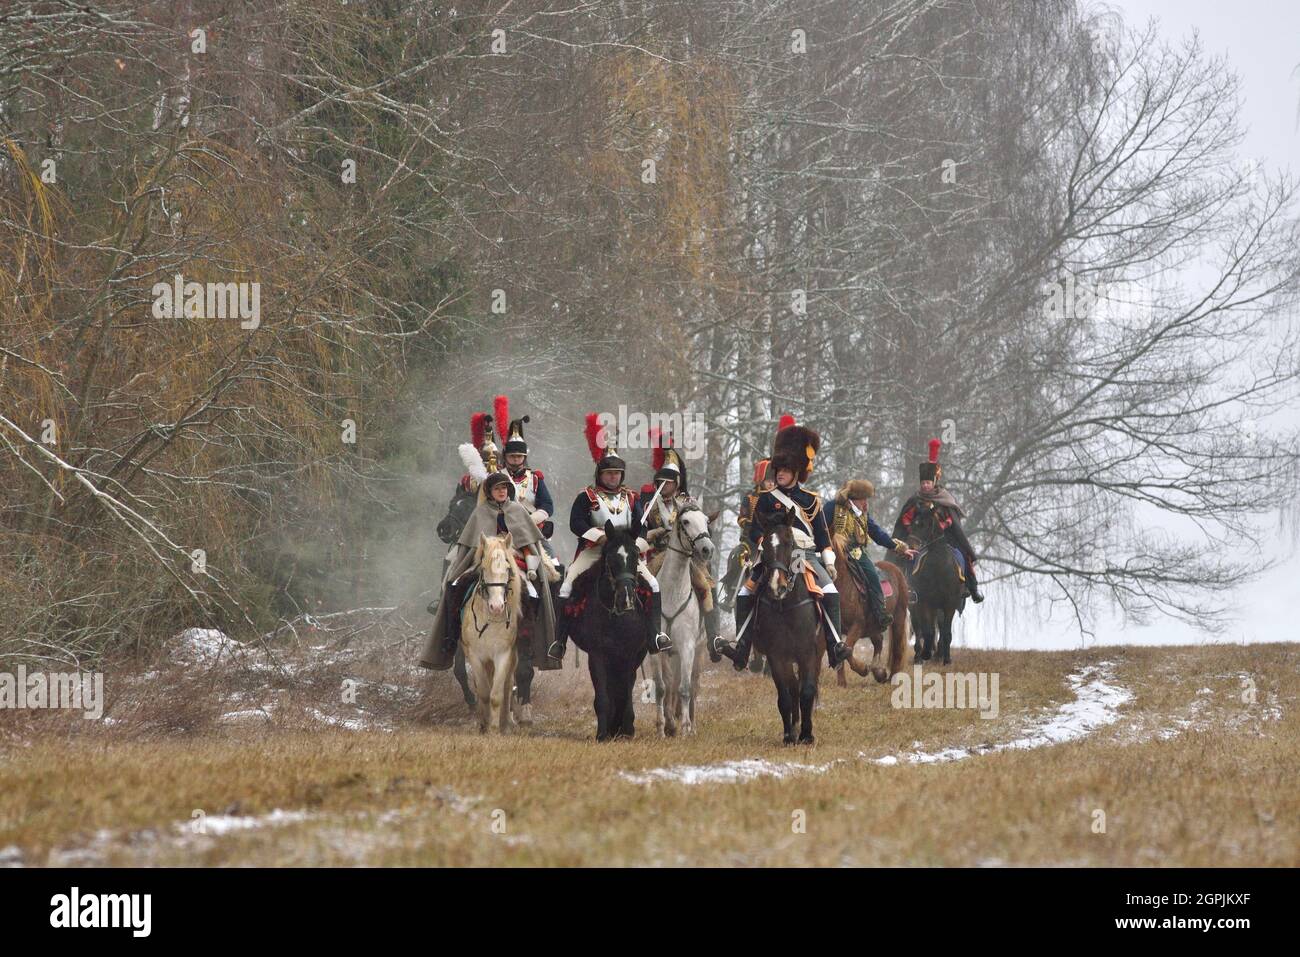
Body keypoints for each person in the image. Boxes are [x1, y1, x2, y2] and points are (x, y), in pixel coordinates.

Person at [715, 417, 853, 670]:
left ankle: (834, 646)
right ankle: (742, 648)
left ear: (796, 472)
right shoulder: (765, 500)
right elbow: (756, 529)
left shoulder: (811, 500)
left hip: (805, 556)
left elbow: (822, 535)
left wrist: (829, 560)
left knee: (831, 592)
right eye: (778, 470)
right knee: (745, 592)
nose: (779, 474)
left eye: (785, 471)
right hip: (773, 554)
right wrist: (765, 545)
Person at [547, 414, 673, 661]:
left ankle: (655, 634)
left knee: (653, 584)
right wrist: (600, 536)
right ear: (600, 474)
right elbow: (576, 523)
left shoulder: (632, 498)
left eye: (617, 473)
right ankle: (559, 641)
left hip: (624, 553)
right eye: (609, 473)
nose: (613, 477)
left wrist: (634, 543)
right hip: (595, 549)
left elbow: (643, 527)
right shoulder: (587, 496)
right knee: (566, 585)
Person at [419, 463, 557, 668]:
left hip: (514, 559)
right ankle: (451, 636)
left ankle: (531, 639)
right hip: (483, 560)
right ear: (489, 492)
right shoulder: (480, 512)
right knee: (455, 585)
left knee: (535, 594)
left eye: (504, 488)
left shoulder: (518, 510)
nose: (501, 491)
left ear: (509, 490)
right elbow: (471, 544)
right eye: (496, 488)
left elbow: (529, 544)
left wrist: (531, 566)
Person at [641, 434, 721, 661]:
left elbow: (702, 527)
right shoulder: (648, 504)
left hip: (686, 556)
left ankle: (714, 637)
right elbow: (638, 531)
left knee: (706, 584)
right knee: (643, 586)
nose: (664, 486)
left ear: (677, 483)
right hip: (659, 554)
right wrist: (653, 535)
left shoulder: (689, 502)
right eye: (661, 481)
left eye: (669, 482)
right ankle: (646, 632)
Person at [892, 438, 984, 602]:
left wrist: (943, 524)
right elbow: (905, 518)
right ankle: (906, 587)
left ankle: (971, 586)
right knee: (905, 555)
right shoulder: (915, 500)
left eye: (928, 482)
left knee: (963, 554)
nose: (925, 485)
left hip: (944, 538)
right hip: (918, 537)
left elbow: (950, 520)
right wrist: (909, 527)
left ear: (934, 482)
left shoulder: (944, 498)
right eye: (923, 483)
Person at [824, 479, 915, 627]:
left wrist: (899, 547)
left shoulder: (863, 513)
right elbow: (820, 527)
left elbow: (877, 533)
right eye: (863, 499)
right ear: (854, 498)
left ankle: (880, 612)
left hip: (856, 553)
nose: (866, 503)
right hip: (832, 552)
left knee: (872, 575)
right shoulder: (831, 507)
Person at [494, 395, 557, 557]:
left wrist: (531, 520)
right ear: (505, 456)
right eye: (512, 456)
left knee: (554, 564)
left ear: (524, 457)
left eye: (519, 456)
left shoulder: (535, 478)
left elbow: (547, 505)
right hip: (500, 532)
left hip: (531, 531)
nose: (516, 459)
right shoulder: (496, 477)